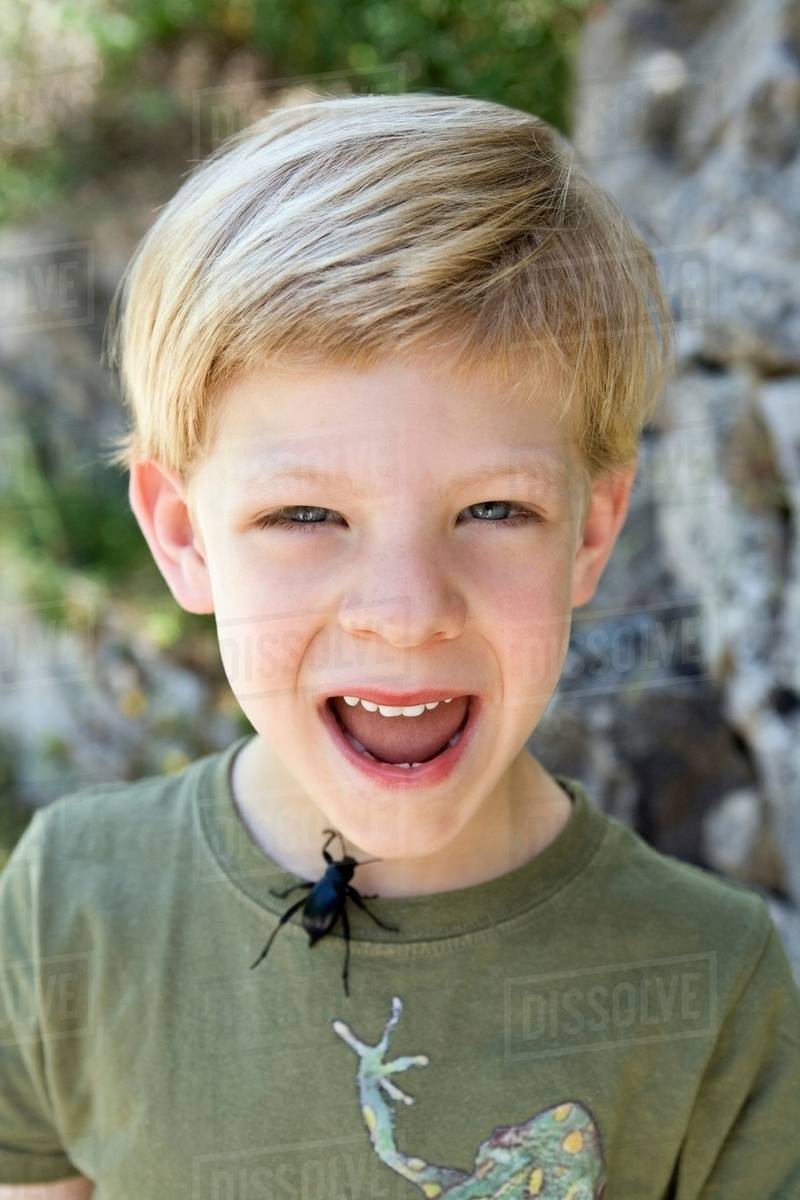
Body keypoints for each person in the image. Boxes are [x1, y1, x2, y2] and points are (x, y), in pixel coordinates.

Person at [0, 91, 798, 1200]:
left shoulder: (715, 980)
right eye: (304, 517)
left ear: (591, 533)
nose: (405, 609)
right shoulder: (65, 902)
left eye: (491, 512)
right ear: (183, 537)